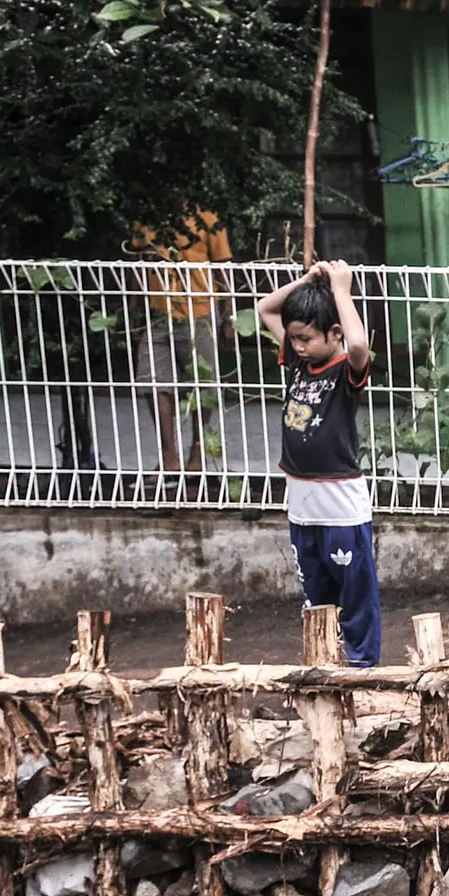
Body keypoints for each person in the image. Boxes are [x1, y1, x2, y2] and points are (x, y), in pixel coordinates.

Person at [255, 261, 381, 668]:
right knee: (316, 594)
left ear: (334, 334)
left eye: (307, 338)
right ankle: (323, 663)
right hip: (302, 503)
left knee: (356, 593)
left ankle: (363, 668)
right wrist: (307, 281)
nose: (298, 346)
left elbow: (359, 346)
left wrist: (341, 291)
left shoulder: (345, 370)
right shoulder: (297, 363)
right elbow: (265, 309)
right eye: (294, 339)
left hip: (341, 503)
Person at [128, 212, 233, 474]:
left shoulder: (207, 216)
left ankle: (197, 455)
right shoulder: (146, 215)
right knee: (153, 380)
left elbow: (222, 266)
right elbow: (138, 264)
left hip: (199, 310)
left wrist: (229, 315)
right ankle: (168, 456)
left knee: (203, 384)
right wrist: (133, 309)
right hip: (157, 312)